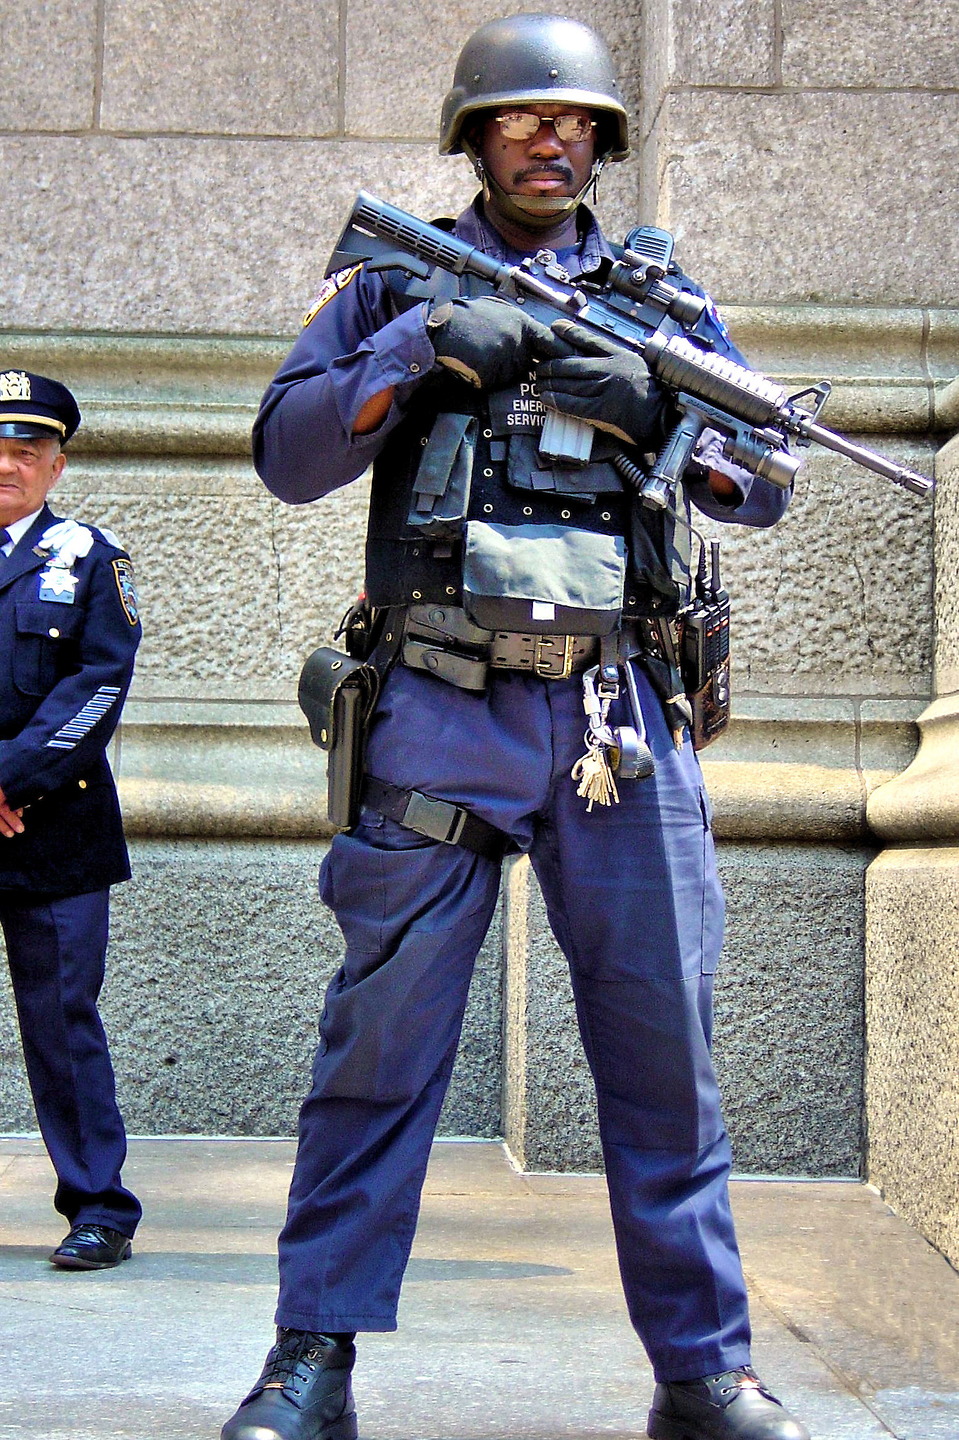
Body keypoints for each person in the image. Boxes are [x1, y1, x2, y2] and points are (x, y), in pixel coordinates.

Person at [222, 14, 809, 1440]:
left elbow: (766, 474)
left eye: (577, 121)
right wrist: (424, 343)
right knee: (379, 1048)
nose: (552, 139)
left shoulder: (656, 294)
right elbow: (288, 455)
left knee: (663, 1052)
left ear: (602, 141)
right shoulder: (389, 282)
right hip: (440, 706)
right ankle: (314, 1362)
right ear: (473, 135)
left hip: (615, 717)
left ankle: (700, 1372)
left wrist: (656, 412)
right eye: (521, 117)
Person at [0, 369, 142, 1270]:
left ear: (57, 465)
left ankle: (98, 1207)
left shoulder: (90, 558)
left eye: (25, 453)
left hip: (53, 829)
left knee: (62, 1023)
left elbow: (98, 688)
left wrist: (7, 780)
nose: (6, 468)